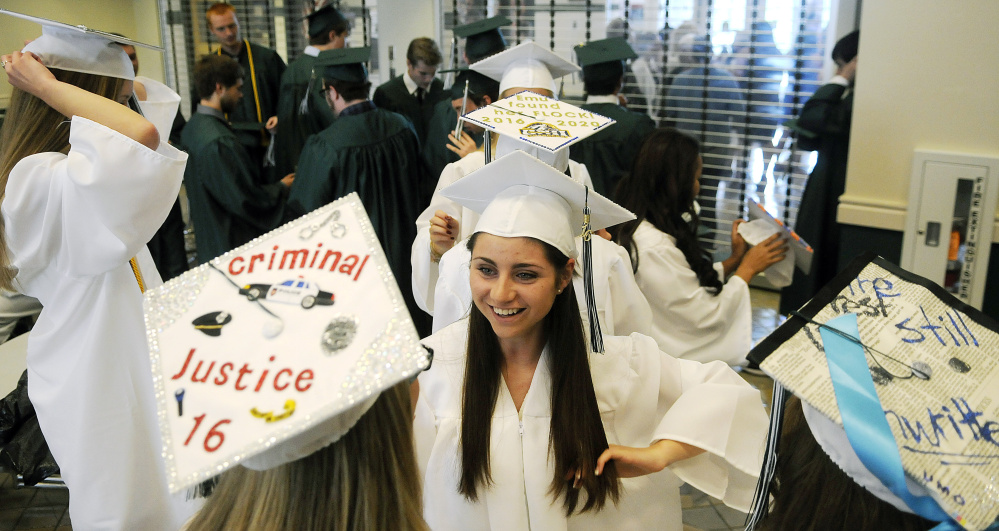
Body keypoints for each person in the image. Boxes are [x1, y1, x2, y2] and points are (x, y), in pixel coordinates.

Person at [414, 150, 769, 530]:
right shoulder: (435, 367)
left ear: (565, 277)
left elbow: (729, 393)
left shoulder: (616, 364)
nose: (501, 294)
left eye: (526, 275)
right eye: (485, 269)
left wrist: (660, 453)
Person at [0, 13, 195, 529]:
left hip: (116, 353)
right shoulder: (35, 178)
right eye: (110, 97)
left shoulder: (76, 173)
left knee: (161, 492)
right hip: (91, 369)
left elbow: (147, 123)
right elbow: (143, 134)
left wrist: (81, 73)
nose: (122, 106)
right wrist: (48, 83)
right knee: (123, 505)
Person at [610, 129, 787, 366]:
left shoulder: (642, 224)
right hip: (665, 364)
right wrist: (748, 269)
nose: (698, 187)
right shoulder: (653, 246)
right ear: (675, 183)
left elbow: (682, 282)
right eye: (696, 178)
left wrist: (734, 260)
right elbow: (701, 316)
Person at [287, 47, 428, 335]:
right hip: (407, 260)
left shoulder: (325, 146)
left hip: (356, 269)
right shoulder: (402, 127)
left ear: (333, 92)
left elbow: (305, 216)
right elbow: (423, 188)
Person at [182, 54, 293, 264]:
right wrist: (281, 187)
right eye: (238, 88)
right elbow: (245, 201)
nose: (241, 95)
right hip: (230, 247)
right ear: (219, 88)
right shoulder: (219, 142)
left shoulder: (193, 128)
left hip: (209, 240)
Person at [779, 30, 859, 316]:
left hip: (832, 191)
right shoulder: (849, 100)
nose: (839, 71)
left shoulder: (858, 102)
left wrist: (841, 78)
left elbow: (813, 116)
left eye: (843, 64)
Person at [114, 37, 189, 280]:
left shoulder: (156, 95)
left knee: (177, 266)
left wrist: (168, 147)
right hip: (134, 201)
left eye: (133, 56)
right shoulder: (106, 104)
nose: (131, 63)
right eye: (124, 58)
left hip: (166, 195)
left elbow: (181, 136)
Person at [664, 35, 746, 234]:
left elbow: (669, 115)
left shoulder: (680, 80)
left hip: (685, 151)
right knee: (710, 200)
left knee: (684, 200)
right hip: (717, 151)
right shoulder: (727, 81)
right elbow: (739, 117)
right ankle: (708, 245)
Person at [422, 16, 511, 182]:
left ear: (465, 57)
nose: (460, 117)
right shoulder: (515, 106)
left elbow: (434, 165)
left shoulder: (445, 110)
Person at [205, 2, 286, 175]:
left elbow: (287, 96)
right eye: (221, 29)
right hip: (230, 150)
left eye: (232, 25)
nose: (229, 33)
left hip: (269, 148)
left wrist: (281, 117)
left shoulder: (267, 59)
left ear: (239, 22)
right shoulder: (209, 69)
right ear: (211, 30)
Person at [570, 37, 656, 196]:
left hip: (580, 214)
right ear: (621, 80)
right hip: (625, 216)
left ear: (584, 79)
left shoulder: (567, 123)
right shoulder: (637, 125)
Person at [272, 4, 349, 178]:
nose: (346, 43)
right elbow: (334, 122)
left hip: (295, 167)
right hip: (324, 164)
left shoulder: (291, 70)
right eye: (344, 37)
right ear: (332, 35)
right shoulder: (327, 72)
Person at [372, 37, 446, 146]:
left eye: (433, 73)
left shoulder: (441, 90)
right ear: (409, 64)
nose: (429, 79)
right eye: (423, 73)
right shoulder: (386, 94)